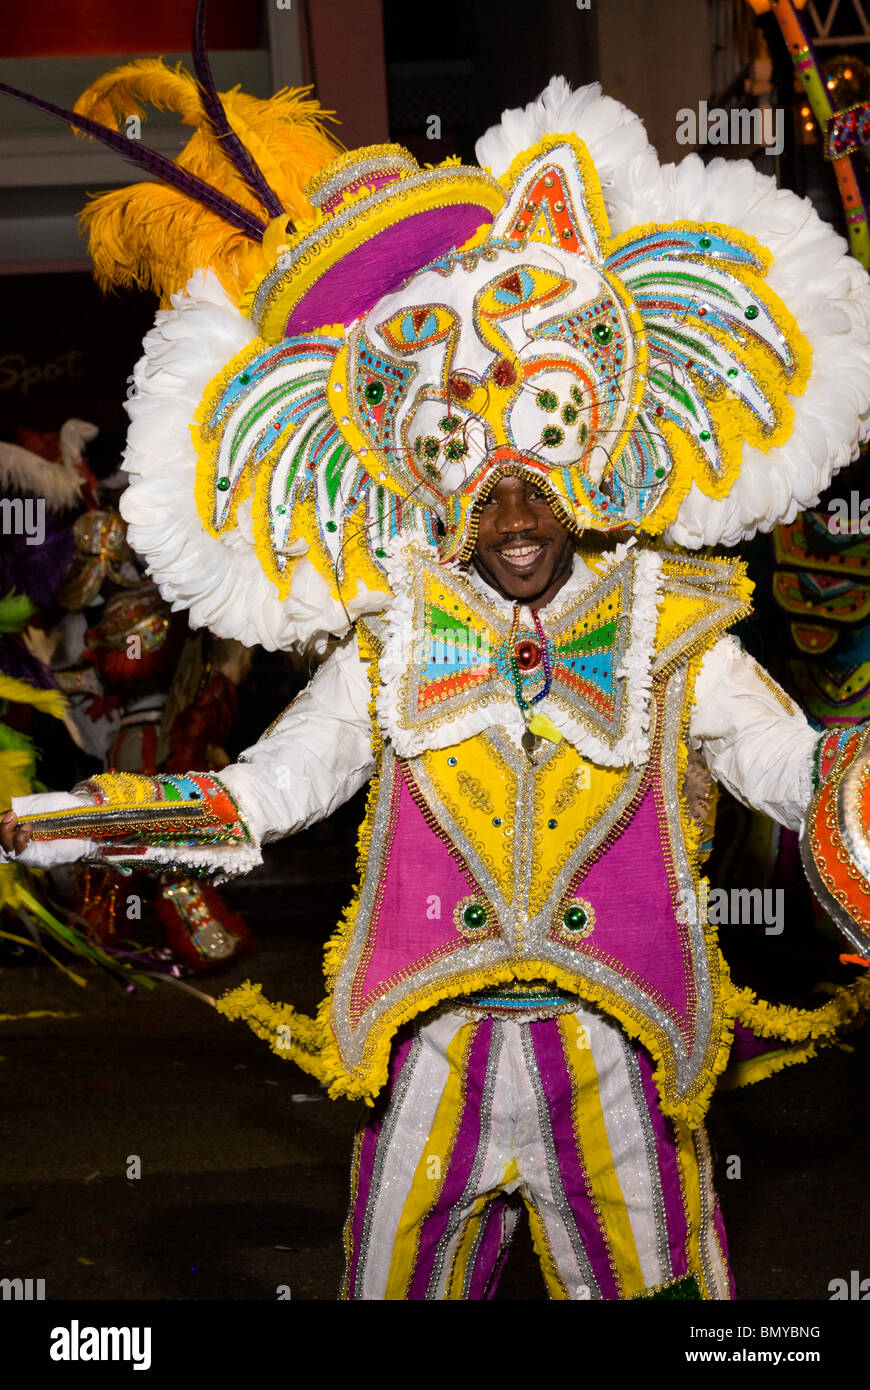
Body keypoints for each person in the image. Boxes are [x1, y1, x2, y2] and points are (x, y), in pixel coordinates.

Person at [2, 41, 870, 1298]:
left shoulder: (671, 628)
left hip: (616, 1059)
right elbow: (270, 792)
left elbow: (791, 770)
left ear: (595, 443)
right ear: (424, 481)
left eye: (538, 456)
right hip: (435, 1060)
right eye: (471, 463)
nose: (511, 504)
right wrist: (81, 822)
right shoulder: (390, 643)